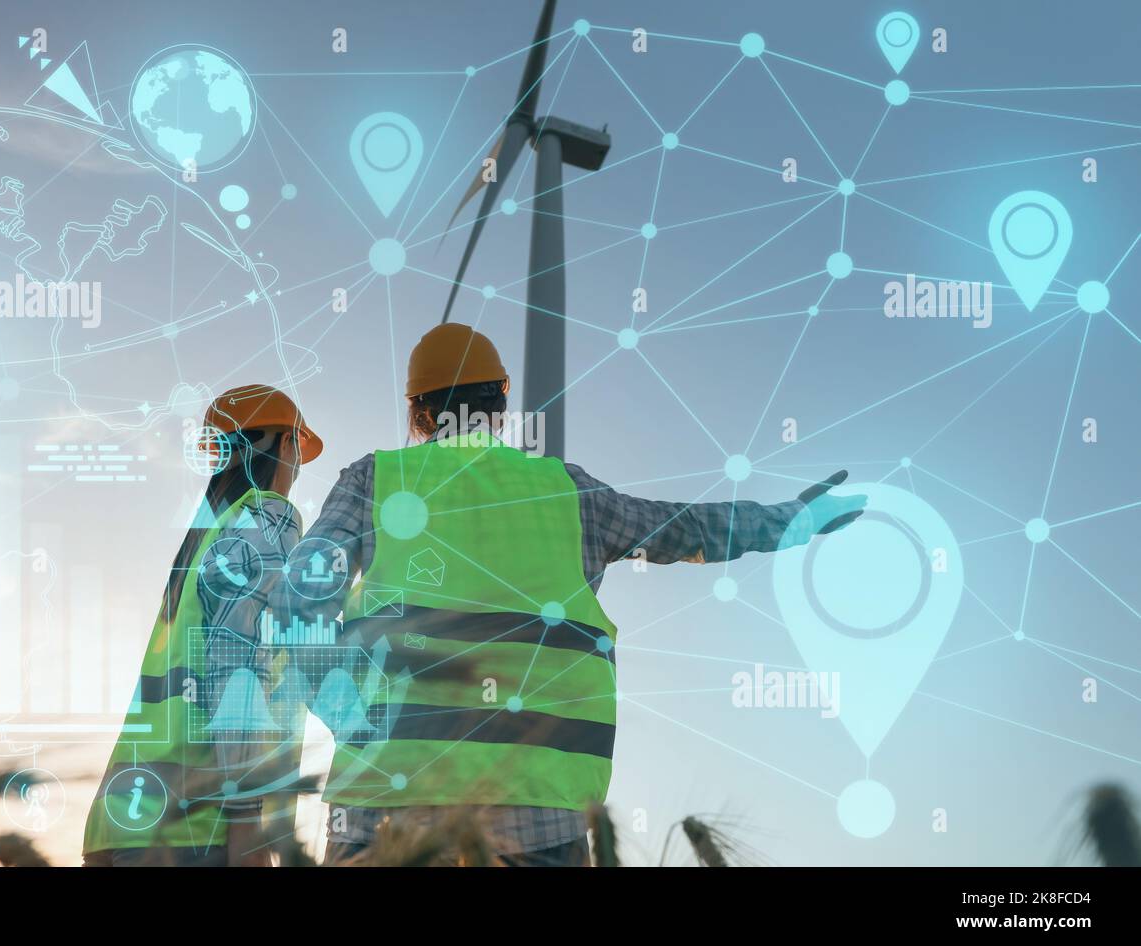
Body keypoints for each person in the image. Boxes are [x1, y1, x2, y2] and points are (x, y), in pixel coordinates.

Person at [287, 323, 865, 867]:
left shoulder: (375, 479)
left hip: (387, 797)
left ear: (419, 411)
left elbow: (299, 600)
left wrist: (347, 714)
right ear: (499, 407)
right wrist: (795, 519)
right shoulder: (570, 492)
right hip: (543, 806)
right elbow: (690, 529)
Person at [83, 385, 323, 867]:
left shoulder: (200, 541)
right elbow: (236, 662)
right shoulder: (268, 517)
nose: (298, 464)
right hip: (198, 826)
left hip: (124, 820)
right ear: (281, 442)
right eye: (297, 444)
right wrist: (246, 821)